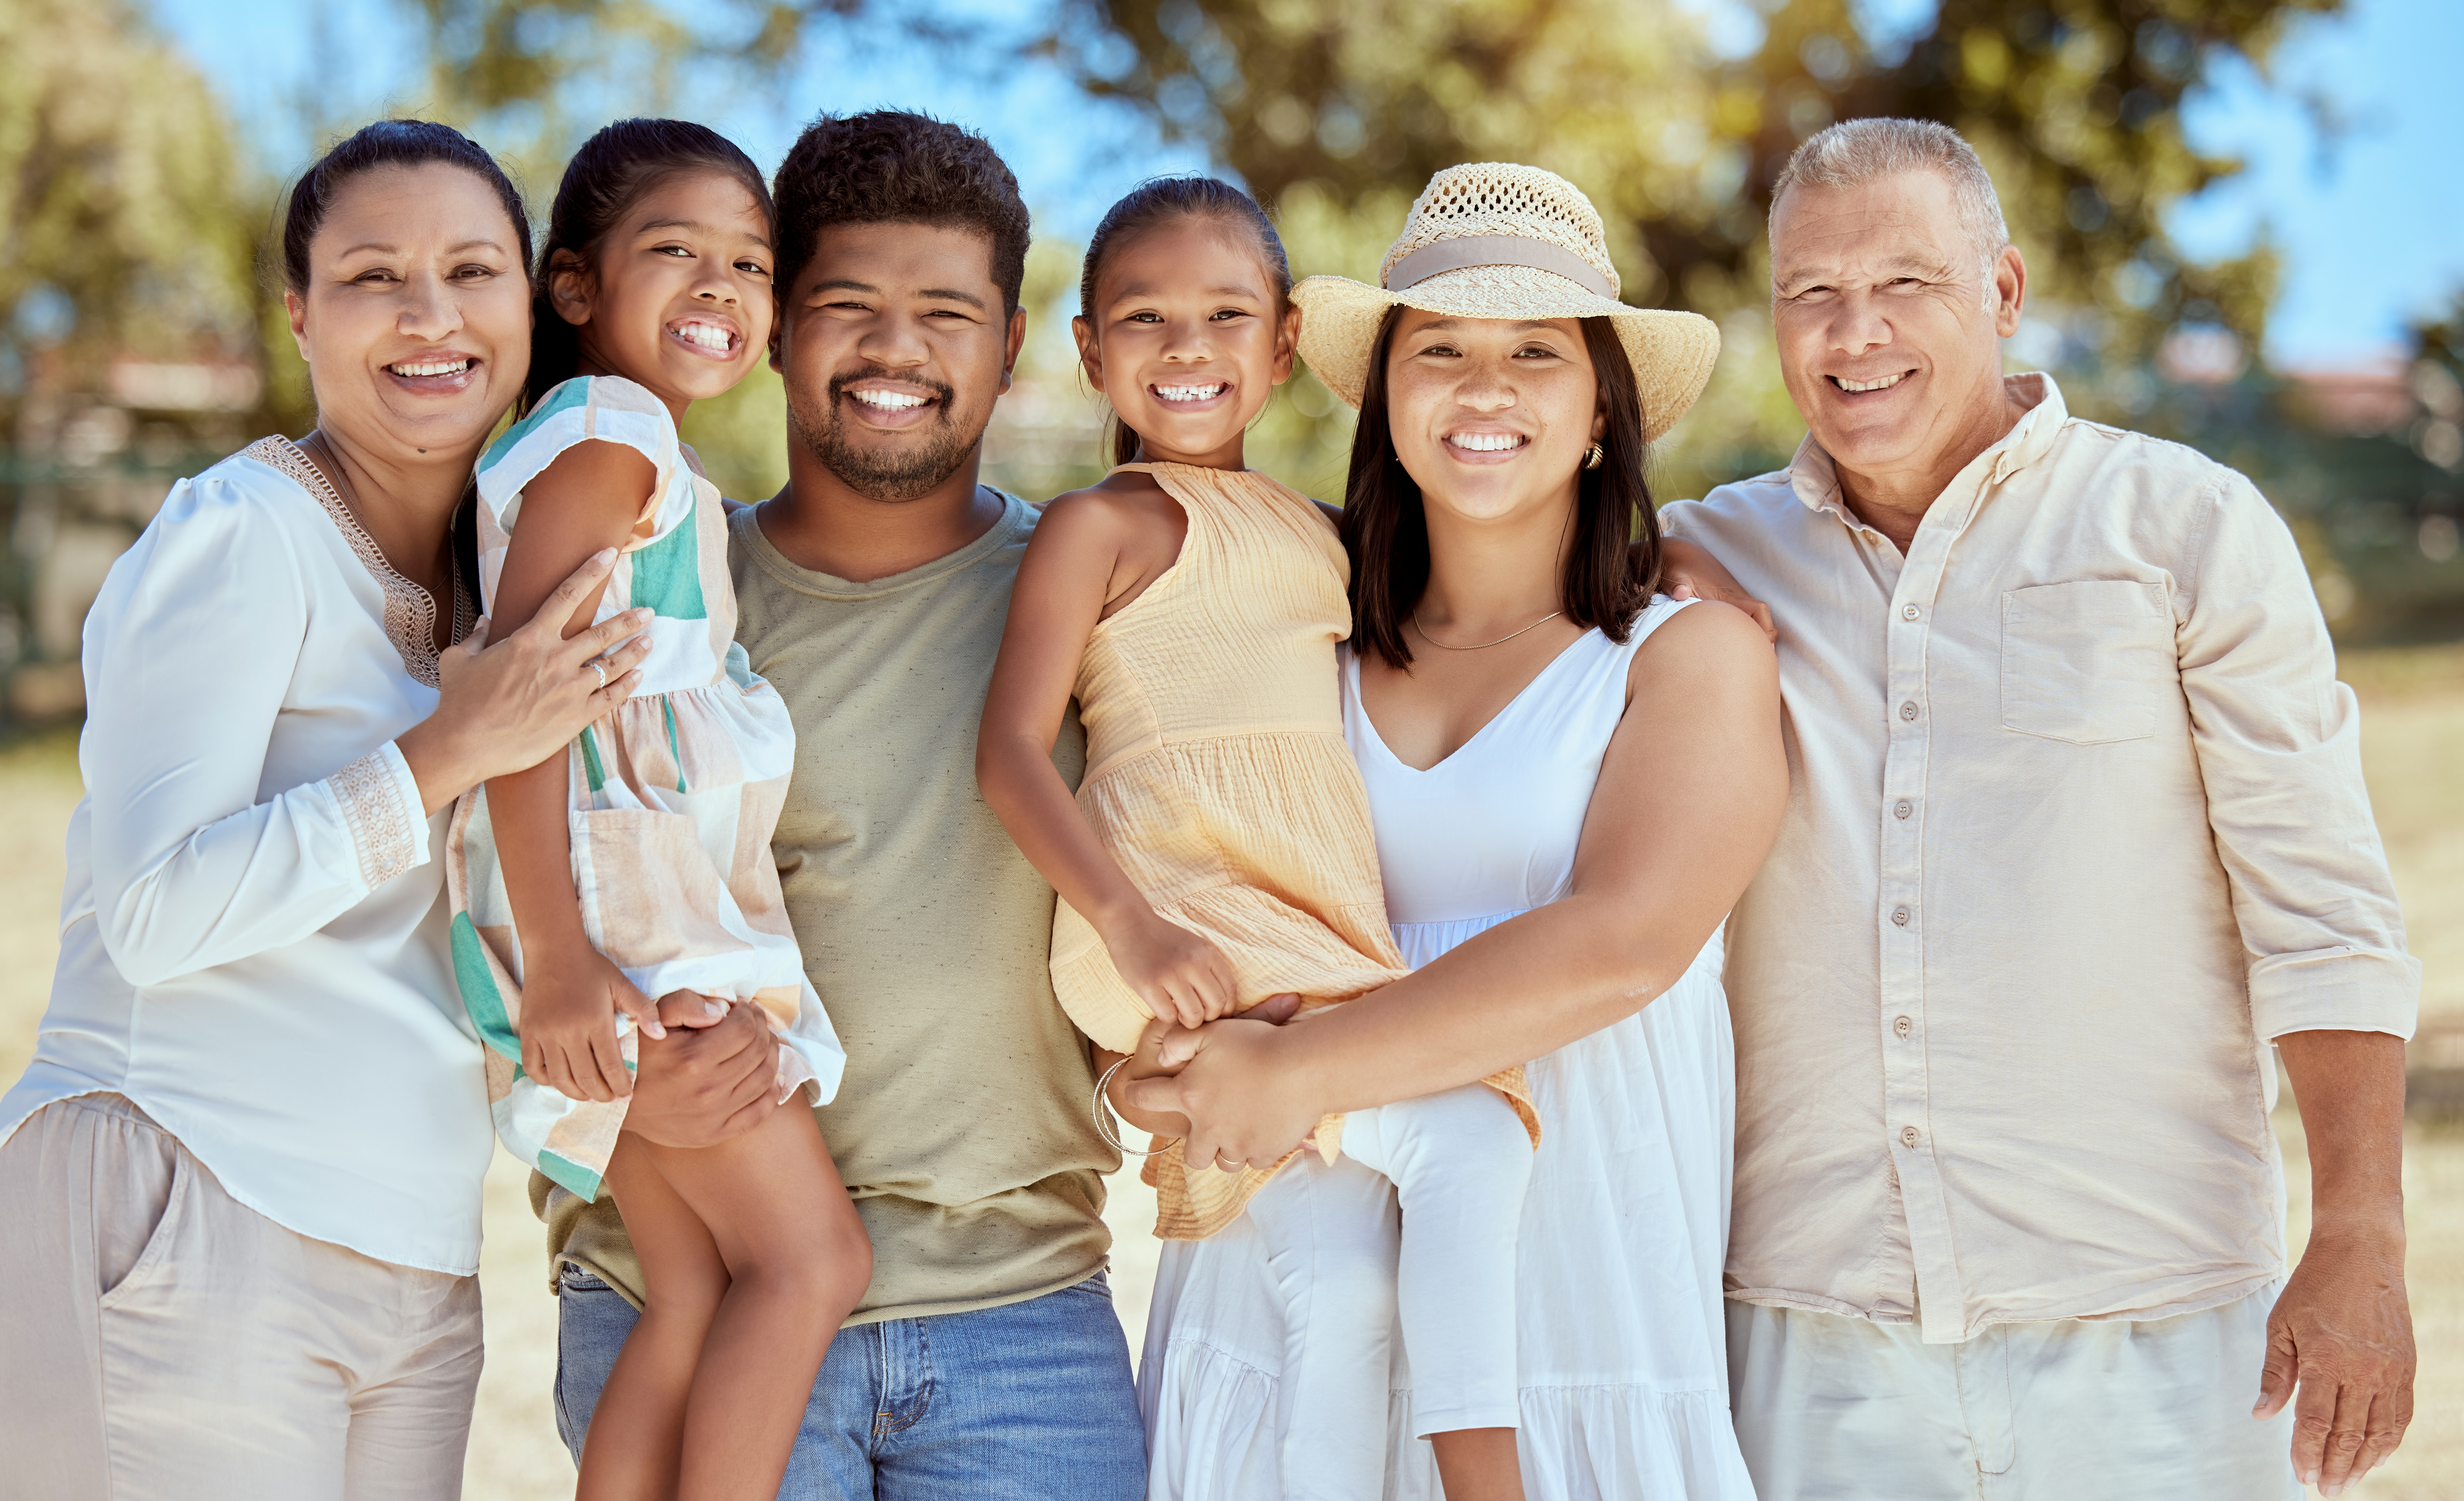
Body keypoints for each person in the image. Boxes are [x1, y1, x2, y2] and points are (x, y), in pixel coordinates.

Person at [1656, 118, 2420, 1500]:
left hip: (2161, 1336)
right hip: (1810, 1340)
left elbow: (2324, 905)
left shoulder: (2184, 528)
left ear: (2003, 294)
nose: (1856, 332)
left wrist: (2361, 1227)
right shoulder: (1706, 553)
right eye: (1812, 294)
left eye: (1907, 284)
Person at [0, 120, 673, 1499]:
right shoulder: (242, 533)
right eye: (371, 278)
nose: (430, 316)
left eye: (472, 271)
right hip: (183, 1198)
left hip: (413, 1258)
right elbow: (156, 910)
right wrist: (445, 749)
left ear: (532, 302)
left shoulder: (509, 580)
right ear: (299, 314)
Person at [1126, 163, 1785, 1501]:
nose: (1486, 389)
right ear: (1384, 400)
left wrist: (1287, 1073)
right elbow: (1178, 859)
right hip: (1289, 1295)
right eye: (1442, 351)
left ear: (1602, 408)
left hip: (1573, 1289)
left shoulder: (1689, 653)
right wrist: (1163, 1068)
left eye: (1537, 352)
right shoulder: (1295, 645)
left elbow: (1622, 944)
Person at [541, 110, 1147, 1499]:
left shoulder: (1095, 586)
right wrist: (635, 1094)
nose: (896, 350)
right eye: (844, 306)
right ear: (772, 327)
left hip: (1021, 1321)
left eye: (947, 311)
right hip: (675, 1294)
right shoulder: (659, 582)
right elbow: (513, 876)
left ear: (1011, 341)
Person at [976, 175, 1539, 1501]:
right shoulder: (1096, 525)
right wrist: (1127, 918)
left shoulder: (1328, 536)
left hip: (1308, 919)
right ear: (1088, 349)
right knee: (1471, 1140)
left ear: (1284, 345)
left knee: (1345, 1278)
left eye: (1227, 314)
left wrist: (1674, 563)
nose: (1187, 348)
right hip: (1183, 916)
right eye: (1146, 317)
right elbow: (1007, 750)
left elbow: (1509, 586)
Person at [449, 119, 868, 1500]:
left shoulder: (644, 462)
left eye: (749, 261)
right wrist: (567, 961)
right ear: (575, 286)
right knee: (812, 1260)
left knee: (689, 1295)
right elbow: (519, 703)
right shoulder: (609, 430)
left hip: (616, 917)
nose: (721, 285)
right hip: (628, 925)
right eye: (674, 250)